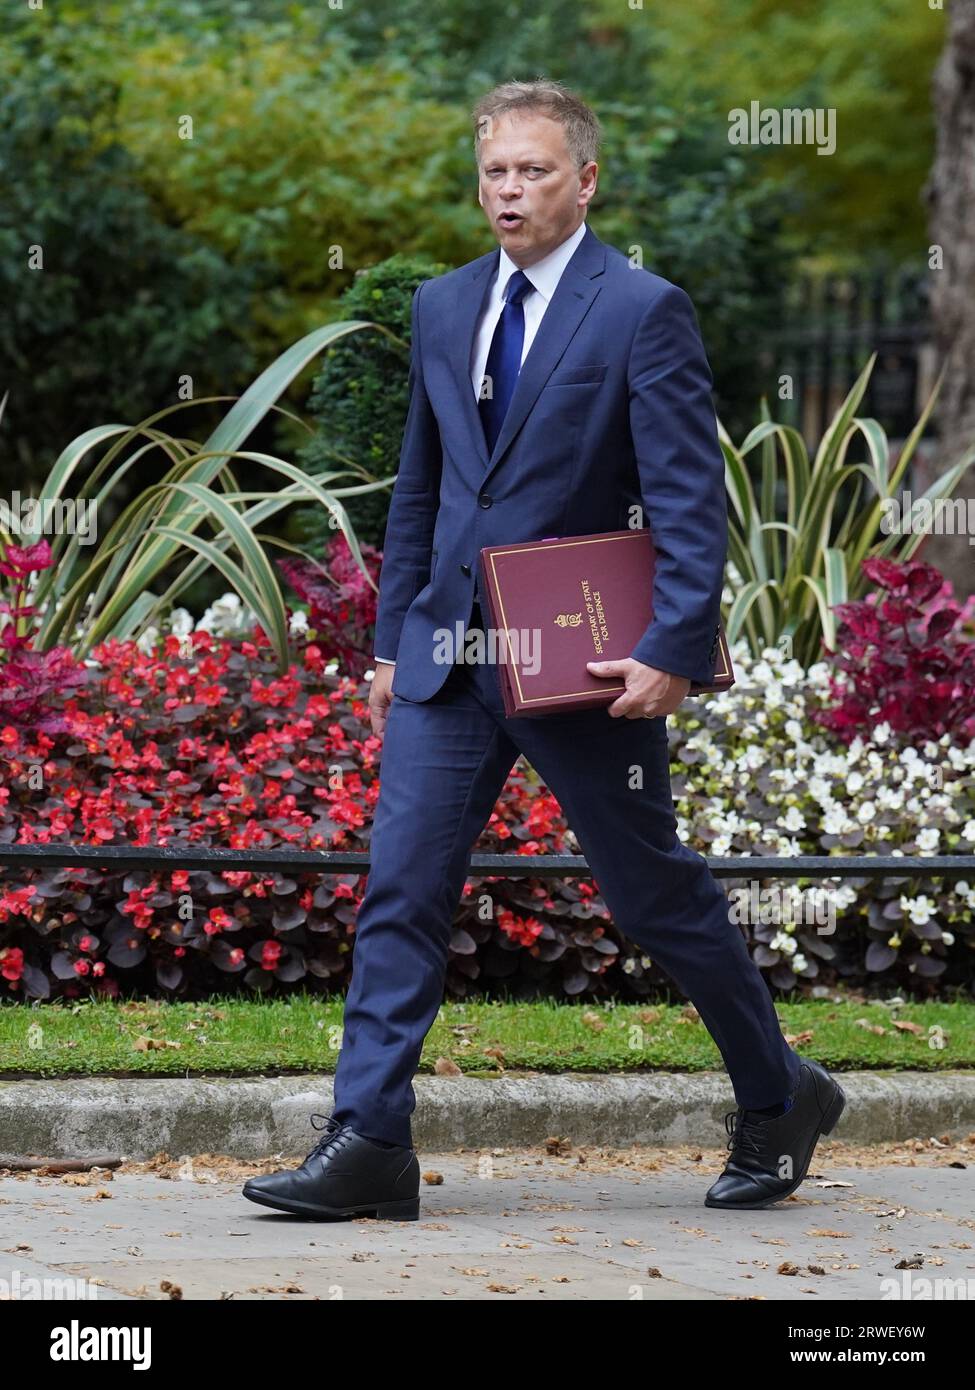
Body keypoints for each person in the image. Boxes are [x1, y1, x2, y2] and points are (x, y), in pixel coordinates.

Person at [243, 78, 845, 1222]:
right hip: (448, 658)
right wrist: (389, 637)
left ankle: (779, 1094)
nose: (507, 191)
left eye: (532, 170)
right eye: (493, 173)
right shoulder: (442, 303)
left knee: (651, 894)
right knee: (401, 889)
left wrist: (673, 644)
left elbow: (685, 494)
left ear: (586, 178)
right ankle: (369, 1138)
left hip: (582, 668)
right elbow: (421, 486)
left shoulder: (640, 310)